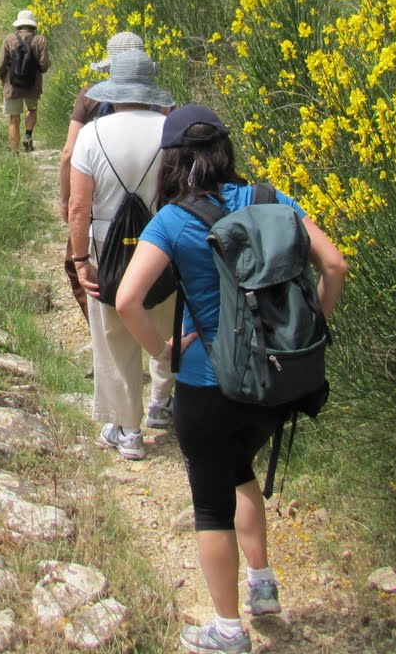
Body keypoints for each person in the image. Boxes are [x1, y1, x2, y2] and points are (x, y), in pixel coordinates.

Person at [116, 104, 345, 653]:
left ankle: (227, 629)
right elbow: (334, 265)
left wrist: (164, 352)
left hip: (207, 383)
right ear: (224, 151)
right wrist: (307, 330)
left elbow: (127, 299)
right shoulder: (270, 199)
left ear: (172, 160)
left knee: (211, 503)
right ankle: (262, 583)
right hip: (274, 382)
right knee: (241, 469)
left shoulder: (172, 220)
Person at [68, 48, 178, 460]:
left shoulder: (94, 134)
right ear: (150, 90)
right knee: (164, 321)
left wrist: (81, 261)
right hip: (163, 241)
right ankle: (162, 404)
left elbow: (79, 207)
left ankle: (128, 430)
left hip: (105, 244)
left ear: (114, 87)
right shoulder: (170, 130)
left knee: (114, 334)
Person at [58, 31, 155, 323]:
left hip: (97, 208)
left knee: (82, 270)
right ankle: (152, 343)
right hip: (153, 217)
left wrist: (67, 201)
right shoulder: (161, 106)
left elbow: (68, 154)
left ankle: (99, 334)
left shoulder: (89, 96)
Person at [0, 8, 51, 153]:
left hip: (12, 85)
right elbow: (44, 65)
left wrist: (2, 78)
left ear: (18, 24)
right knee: (32, 110)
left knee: (14, 118)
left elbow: (1, 63)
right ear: (33, 25)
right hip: (33, 85)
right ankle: (28, 135)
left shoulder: (9, 39)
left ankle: (14, 152)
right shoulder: (40, 40)